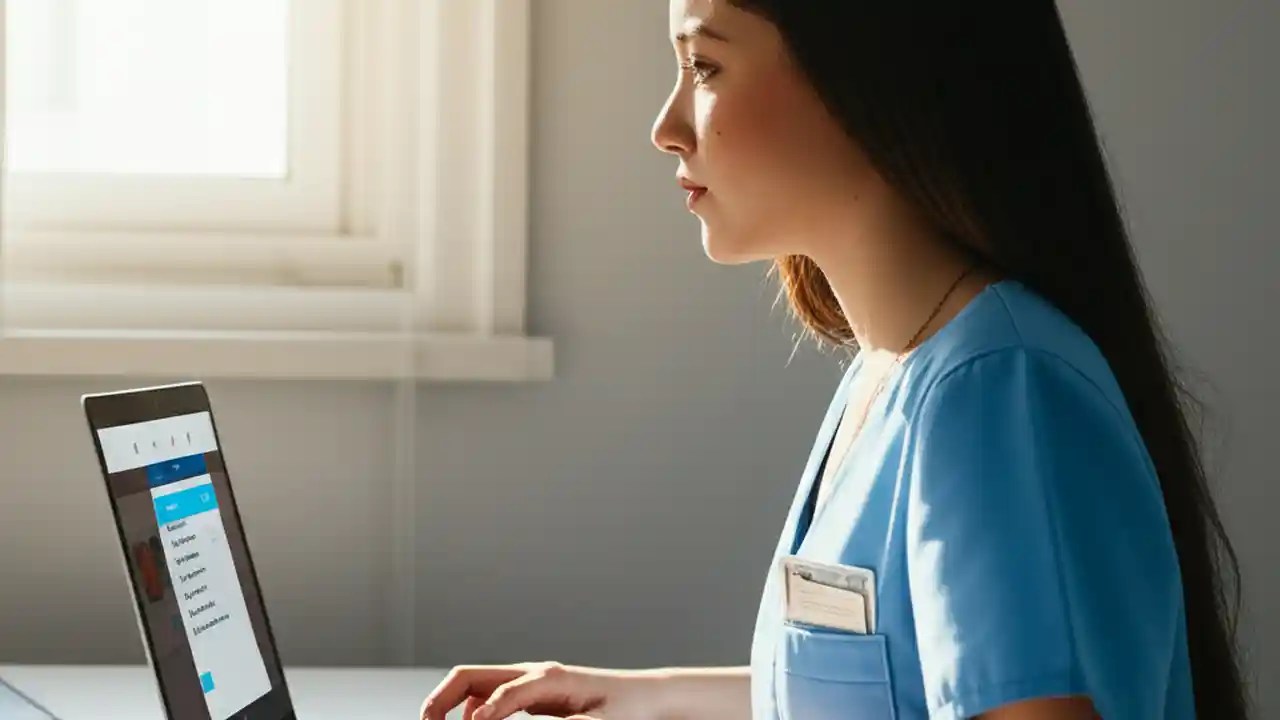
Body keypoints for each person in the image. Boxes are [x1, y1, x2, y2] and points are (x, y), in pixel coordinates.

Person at [421, 2, 1250, 719]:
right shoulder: (894, 369)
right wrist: (619, 696)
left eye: (704, 66)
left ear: (868, 83)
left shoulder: (994, 390)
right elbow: (879, 692)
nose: (666, 127)